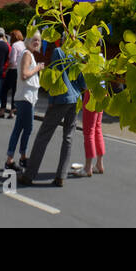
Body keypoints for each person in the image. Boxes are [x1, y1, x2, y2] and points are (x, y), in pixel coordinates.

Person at [18, 40, 84, 187]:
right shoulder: (78, 55)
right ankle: (61, 176)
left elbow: (56, 77)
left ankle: (29, 175)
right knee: (68, 138)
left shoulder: (58, 52)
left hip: (61, 99)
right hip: (75, 99)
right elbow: (83, 82)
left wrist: (51, 100)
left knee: (43, 136)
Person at [6, 33, 44, 170]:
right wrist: (38, 68)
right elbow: (24, 75)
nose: (36, 42)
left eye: (38, 40)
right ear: (28, 40)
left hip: (26, 97)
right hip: (26, 97)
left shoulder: (28, 53)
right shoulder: (27, 53)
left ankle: (15, 158)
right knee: (26, 128)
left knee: (21, 128)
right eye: (34, 40)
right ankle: (18, 158)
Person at [77, 74, 106, 177]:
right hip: (102, 92)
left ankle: (88, 167)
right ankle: (99, 164)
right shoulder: (102, 57)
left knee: (88, 131)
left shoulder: (90, 58)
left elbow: (85, 81)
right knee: (97, 128)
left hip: (92, 93)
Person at [3, 29, 25, 118]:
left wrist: (6, 69)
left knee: (4, 90)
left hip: (13, 70)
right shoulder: (24, 45)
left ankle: (2, 110)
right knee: (15, 92)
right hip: (20, 70)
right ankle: (12, 111)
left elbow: (12, 61)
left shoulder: (15, 45)